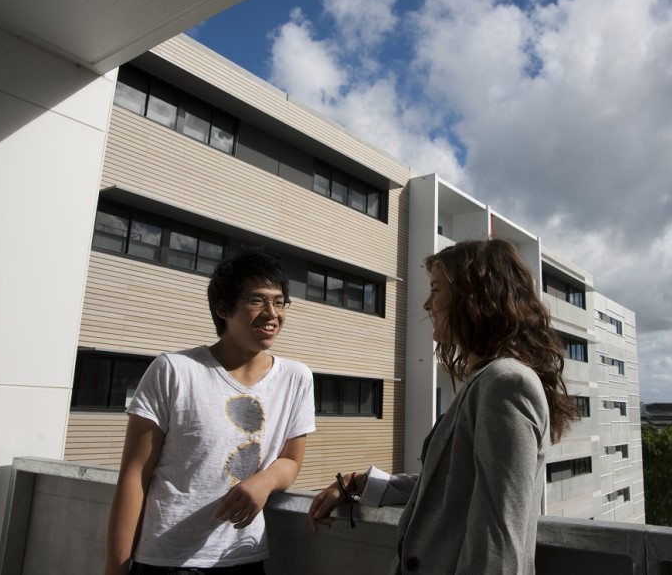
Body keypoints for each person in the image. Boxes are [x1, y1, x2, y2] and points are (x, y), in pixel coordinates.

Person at [308, 238, 577, 574]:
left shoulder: (506, 383)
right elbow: (451, 486)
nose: (426, 304)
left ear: (475, 296)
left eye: (436, 289)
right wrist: (361, 483)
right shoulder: (487, 380)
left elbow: (499, 534)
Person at [105, 248, 315, 575]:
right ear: (222, 308)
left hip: (242, 557)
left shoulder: (296, 377)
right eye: (257, 300)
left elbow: (291, 460)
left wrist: (265, 481)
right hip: (166, 561)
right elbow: (135, 476)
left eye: (279, 301)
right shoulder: (174, 369)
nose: (271, 313)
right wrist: (115, 570)